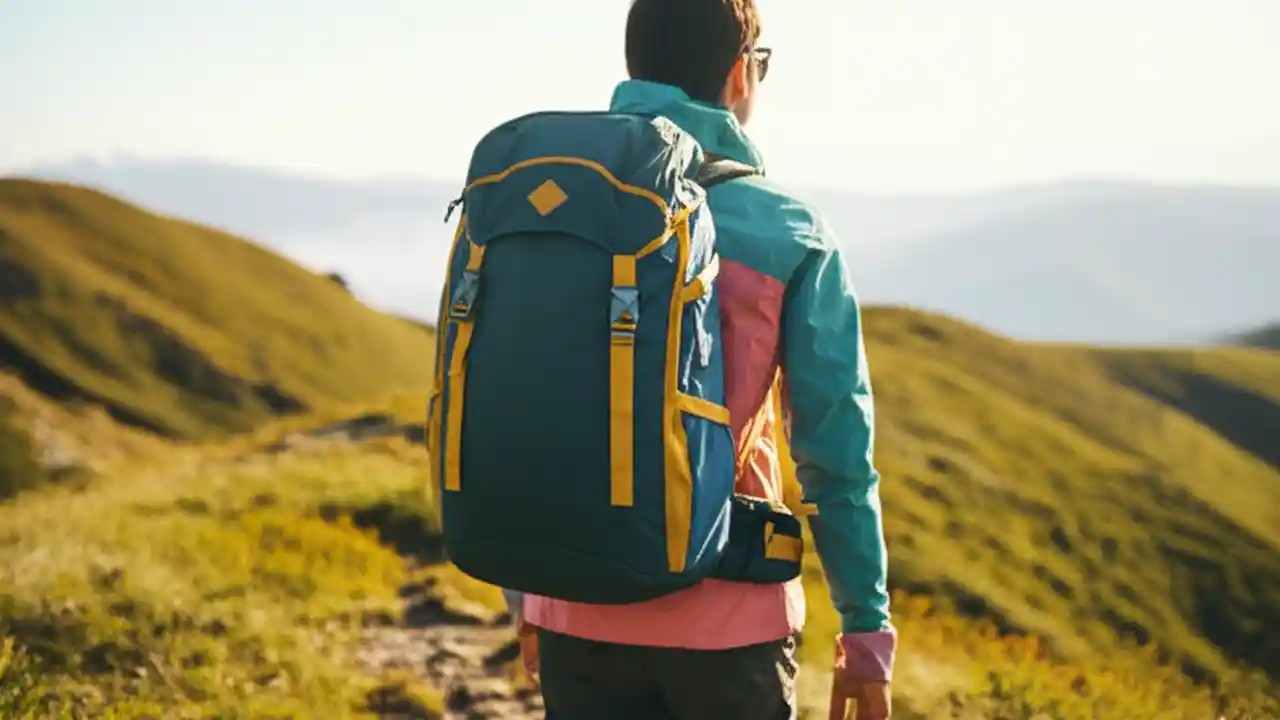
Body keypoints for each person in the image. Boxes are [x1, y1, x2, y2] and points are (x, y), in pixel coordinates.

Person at [505, 1, 895, 717]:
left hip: (577, 606)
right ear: (740, 71)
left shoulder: (551, 203)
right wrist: (865, 631)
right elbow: (835, 452)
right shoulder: (790, 230)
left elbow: (520, 397)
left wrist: (533, 594)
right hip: (730, 619)